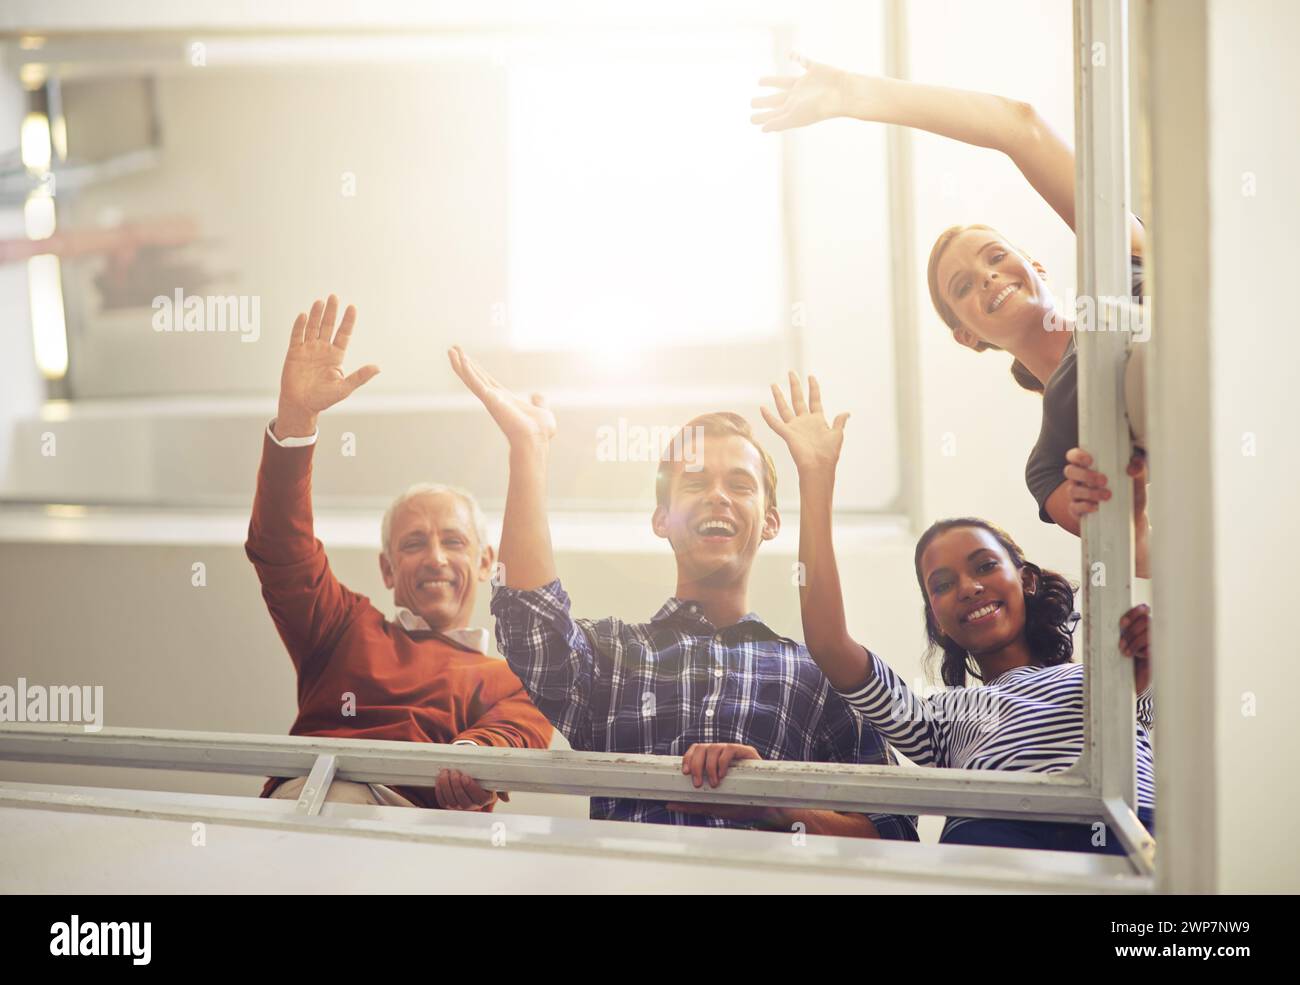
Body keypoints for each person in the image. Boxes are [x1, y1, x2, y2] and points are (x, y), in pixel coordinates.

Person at [448, 345, 918, 839]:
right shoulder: (611, 655)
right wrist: (529, 447)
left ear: (771, 522)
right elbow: (530, 627)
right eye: (695, 483)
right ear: (661, 520)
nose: (717, 495)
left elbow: (895, 830)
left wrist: (783, 806)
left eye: (739, 484)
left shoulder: (817, 676)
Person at [753, 58, 1150, 557]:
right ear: (968, 335)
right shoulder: (1051, 459)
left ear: (1037, 266)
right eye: (963, 286)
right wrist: (1130, 517)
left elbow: (1019, 125)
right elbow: (1136, 551)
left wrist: (855, 95)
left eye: (998, 257)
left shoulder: (1118, 267)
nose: (987, 276)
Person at [761, 371, 1154, 851]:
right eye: (942, 585)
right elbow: (828, 644)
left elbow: (1156, 712)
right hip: (993, 843)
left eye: (985, 566)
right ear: (937, 618)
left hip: (1131, 827)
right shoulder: (943, 717)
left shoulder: (1102, 673)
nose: (968, 588)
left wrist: (1143, 666)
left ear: (1025, 580)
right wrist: (816, 477)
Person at [246, 296, 551, 810]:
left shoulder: (514, 680)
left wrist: (473, 758)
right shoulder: (344, 629)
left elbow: (512, 738)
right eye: (414, 543)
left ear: (484, 562)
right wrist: (296, 417)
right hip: (316, 806)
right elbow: (281, 549)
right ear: (387, 569)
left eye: (453, 541)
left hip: (418, 837)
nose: (435, 557)